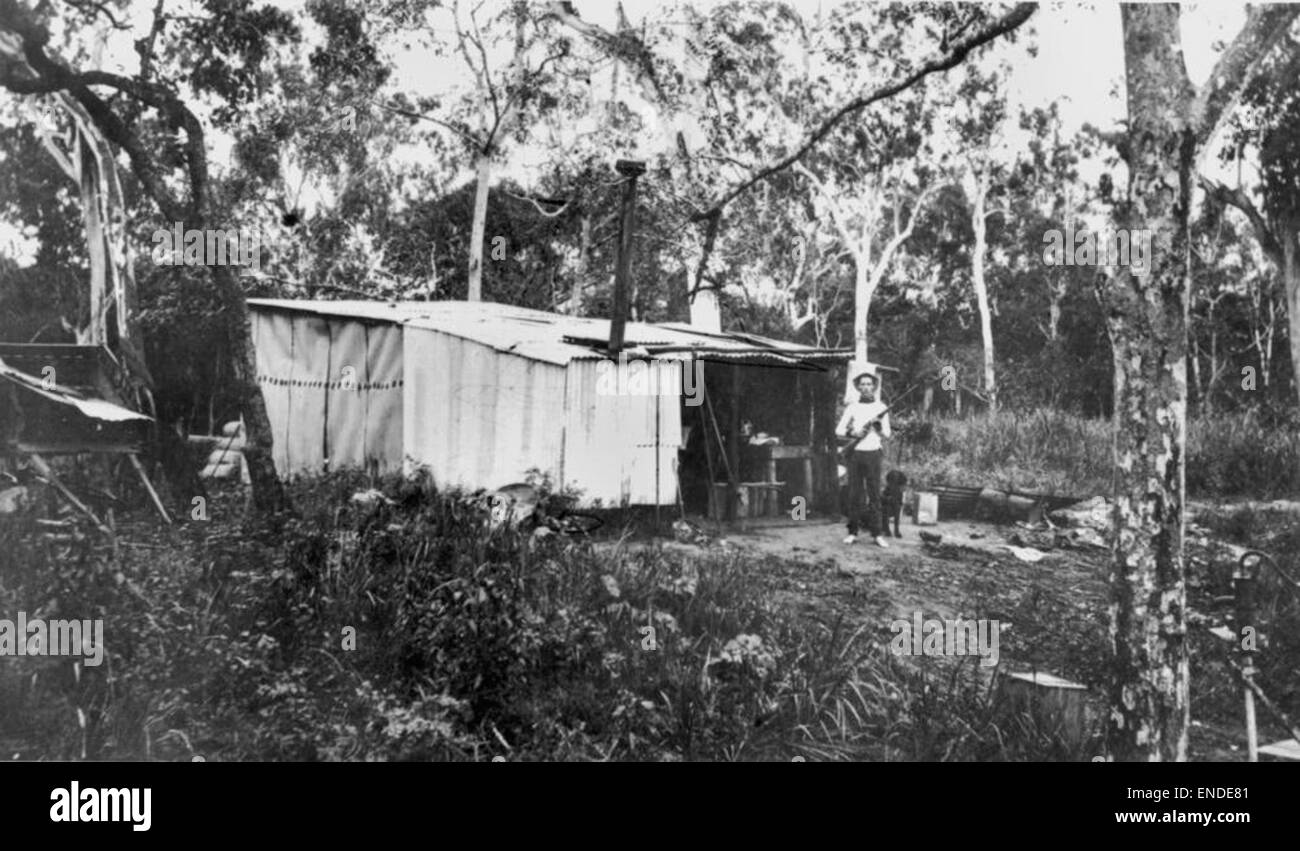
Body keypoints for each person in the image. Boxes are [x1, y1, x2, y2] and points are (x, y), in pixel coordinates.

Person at [836, 367, 892, 547]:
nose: (866, 387)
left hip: (874, 453)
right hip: (856, 454)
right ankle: (852, 532)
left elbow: (888, 434)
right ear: (858, 387)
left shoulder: (881, 407)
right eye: (863, 384)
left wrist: (878, 428)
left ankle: (877, 534)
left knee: (874, 495)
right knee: (855, 495)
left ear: (874, 386)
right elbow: (839, 429)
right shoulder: (853, 407)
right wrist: (855, 433)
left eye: (869, 384)